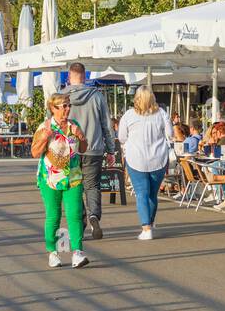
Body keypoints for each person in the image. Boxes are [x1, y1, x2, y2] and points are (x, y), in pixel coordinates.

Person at [31, 93, 90, 267]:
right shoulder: (45, 126)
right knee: (53, 216)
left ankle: (77, 252)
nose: (67, 109)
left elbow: (83, 149)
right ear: (53, 108)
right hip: (50, 179)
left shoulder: (74, 125)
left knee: (75, 215)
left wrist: (80, 136)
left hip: (73, 177)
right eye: (63, 106)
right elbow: (34, 152)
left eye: (68, 105)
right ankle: (53, 252)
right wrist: (45, 137)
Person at [62, 61, 117, 240]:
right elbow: (107, 125)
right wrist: (111, 150)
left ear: (69, 77)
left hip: (69, 151)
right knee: (92, 186)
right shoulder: (97, 96)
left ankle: (81, 221)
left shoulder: (61, 98)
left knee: (74, 187)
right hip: (93, 148)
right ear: (85, 77)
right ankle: (94, 215)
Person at [117, 85, 173, 241]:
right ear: (153, 98)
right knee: (152, 194)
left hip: (136, 159)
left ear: (137, 99)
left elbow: (121, 137)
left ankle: (146, 227)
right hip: (158, 158)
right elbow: (170, 134)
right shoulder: (162, 113)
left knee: (141, 193)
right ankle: (151, 222)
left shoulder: (128, 115)